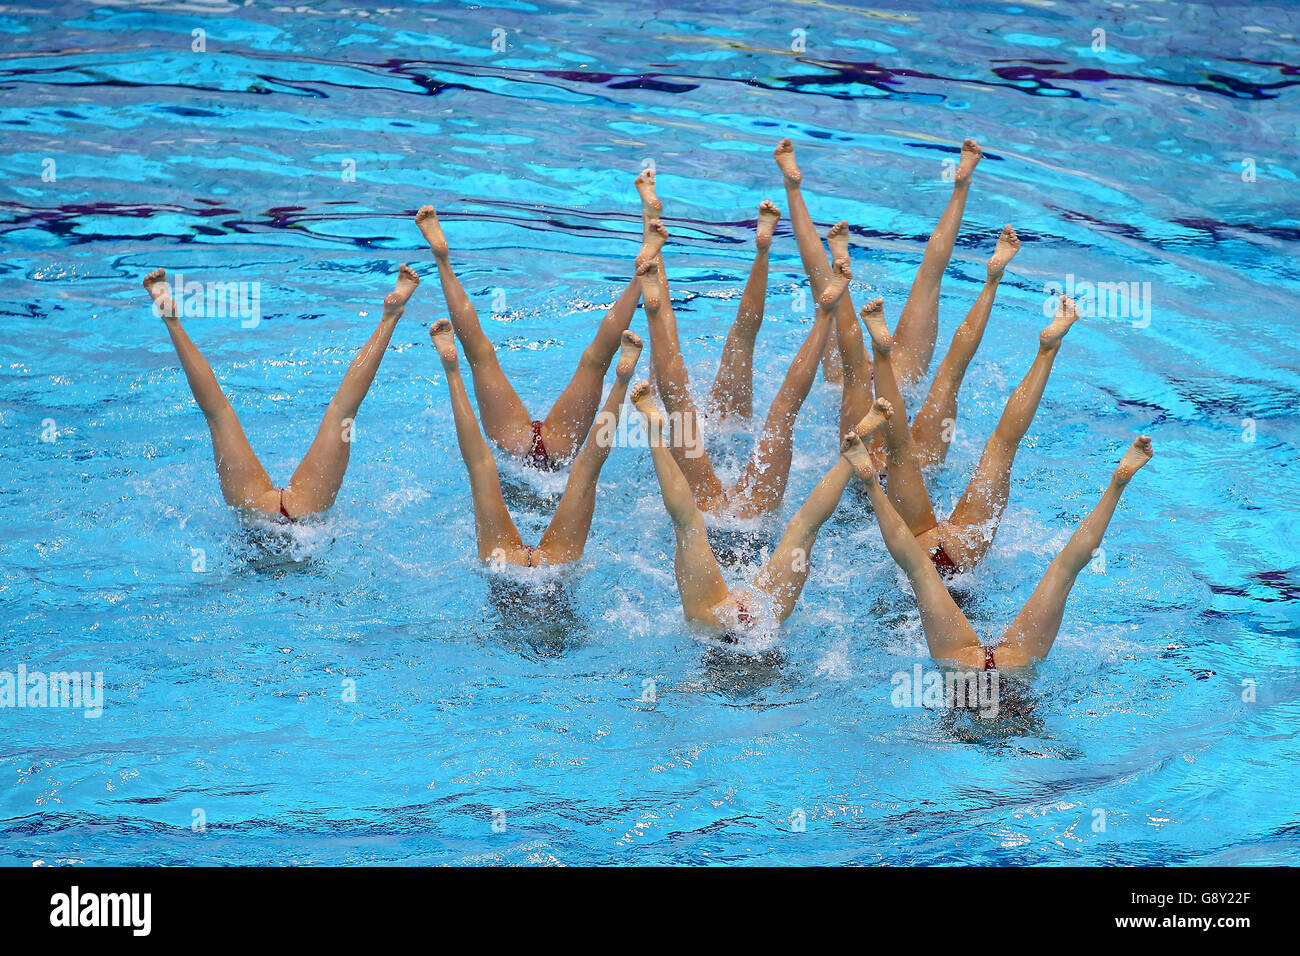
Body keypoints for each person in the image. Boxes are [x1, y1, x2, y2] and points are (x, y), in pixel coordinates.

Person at [845, 433, 1154, 669]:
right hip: (993, 666)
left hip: (975, 663)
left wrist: (872, 484)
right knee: (1063, 572)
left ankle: (872, 484)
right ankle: (1117, 483)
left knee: (919, 570)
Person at [141, 264, 419, 521]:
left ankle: (173, 323)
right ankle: (389, 318)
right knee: (341, 412)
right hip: (293, 516)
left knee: (220, 414)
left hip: (272, 514)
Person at [637, 217, 854, 518]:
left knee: (678, 402)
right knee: (777, 404)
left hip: (708, 515)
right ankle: (783, 274)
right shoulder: (722, 420)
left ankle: (655, 305)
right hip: (745, 516)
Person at [632, 380, 893, 630]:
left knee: (688, 526)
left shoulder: (716, 614)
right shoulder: (763, 614)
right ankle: (852, 456)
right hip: (763, 624)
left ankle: (655, 436)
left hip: (713, 626)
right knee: (803, 529)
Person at [853, 292, 1082, 576]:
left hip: (942, 554)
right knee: (995, 440)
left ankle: (881, 353)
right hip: (931, 554)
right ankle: (1047, 349)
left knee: (997, 447)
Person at [415, 204, 641, 470]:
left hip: (532, 446)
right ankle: (639, 280)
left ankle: (442, 260)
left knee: (482, 356)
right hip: (537, 447)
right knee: (594, 362)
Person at [431, 312, 643, 566]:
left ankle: (452, 371)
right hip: (526, 568)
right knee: (586, 471)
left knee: (480, 466)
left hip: (510, 568)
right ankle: (622, 381)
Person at [774, 135, 985, 390]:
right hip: (895, 385)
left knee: (828, 289)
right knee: (926, 282)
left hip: (854, 387)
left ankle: (795, 193)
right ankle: (961, 189)